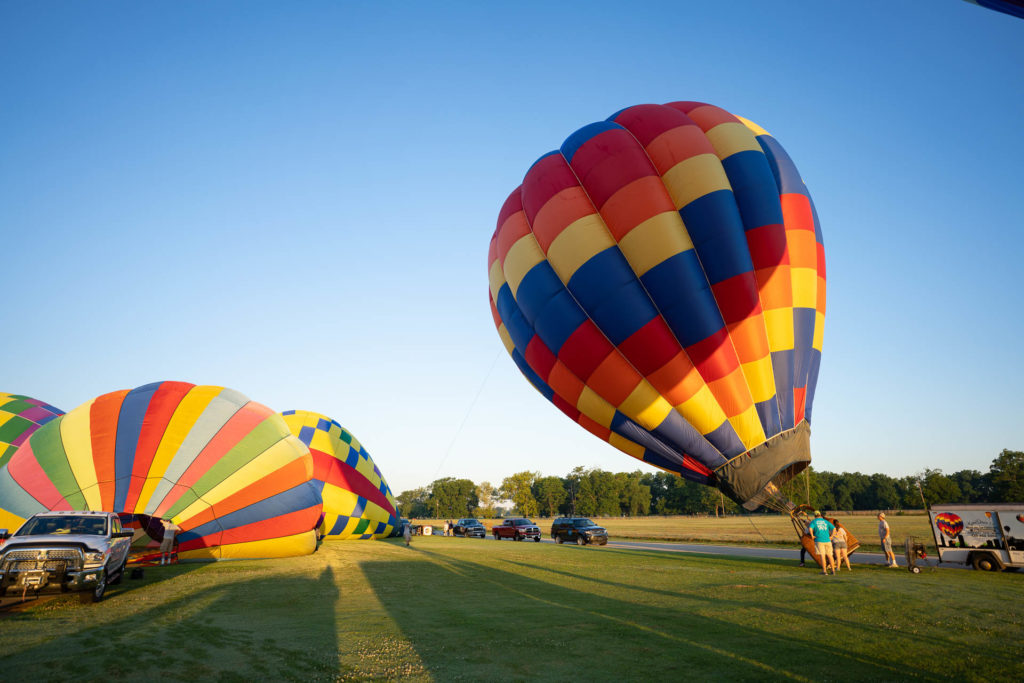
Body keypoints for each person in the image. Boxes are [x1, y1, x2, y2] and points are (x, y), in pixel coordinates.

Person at [807, 511, 836, 575]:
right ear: (820, 515)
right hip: (828, 540)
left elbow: (810, 528)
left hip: (819, 540)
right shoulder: (826, 521)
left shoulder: (814, 521)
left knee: (822, 556)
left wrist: (812, 535)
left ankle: (824, 571)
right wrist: (832, 536)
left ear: (815, 516)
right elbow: (834, 528)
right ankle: (833, 571)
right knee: (830, 556)